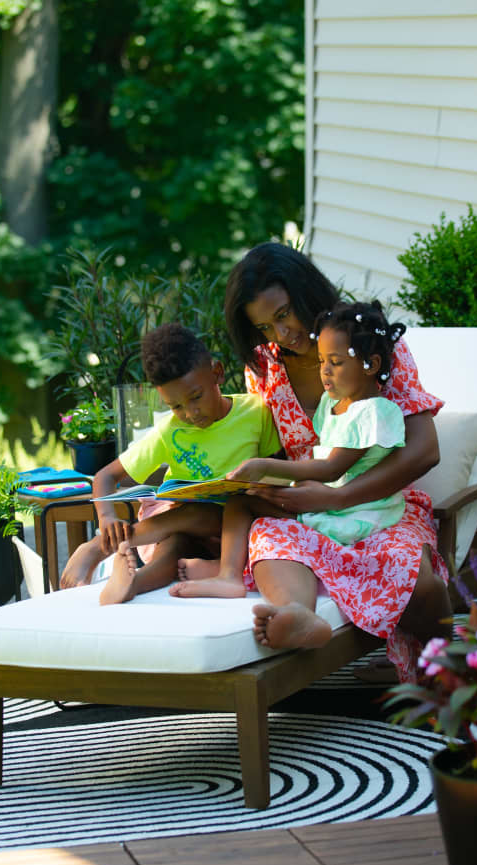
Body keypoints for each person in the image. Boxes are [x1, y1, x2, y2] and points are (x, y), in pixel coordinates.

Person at [212, 242, 450, 681]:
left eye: (284, 314)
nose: (281, 335)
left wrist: (338, 498)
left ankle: (457, 666)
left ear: (305, 294)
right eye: (265, 327)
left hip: (379, 503)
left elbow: (424, 451)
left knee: (415, 579)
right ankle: (297, 616)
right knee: (268, 538)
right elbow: (280, 451)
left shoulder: (366, 344)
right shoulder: (263, 367)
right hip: (308, 504)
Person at [167, 300, 408, 601]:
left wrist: (266, 467)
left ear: (370, 365)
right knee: (244, 501)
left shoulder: (374, 412)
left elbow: (332, 468)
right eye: (322, 361)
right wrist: (292, 484)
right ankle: (227, 574)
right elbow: (320, 461)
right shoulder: (332, 405)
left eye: (336, 362)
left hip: (355, 510)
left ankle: (229, 573)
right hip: (330, 498)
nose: (325, 372)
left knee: (246, 505)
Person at [61, 322, 281, 605]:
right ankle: (126, 578)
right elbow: (105, 476)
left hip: (237, 529)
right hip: (181, 526)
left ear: (217, 373)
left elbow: (277, 470)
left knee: (207, 516)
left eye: (196, 397)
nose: (190, 413)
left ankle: (107, 558)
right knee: (176, 544)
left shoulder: (255, 412)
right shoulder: (170, 430)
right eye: (175, 406)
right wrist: (107, 520)